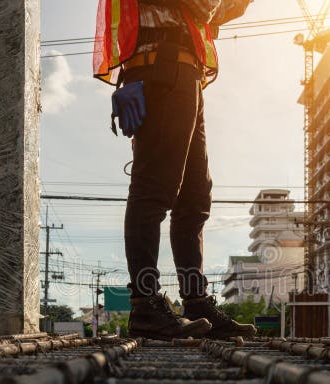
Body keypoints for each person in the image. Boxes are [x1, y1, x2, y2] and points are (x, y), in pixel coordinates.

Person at [94, 0, 258, 340]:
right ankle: (145, 304)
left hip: (184, 73)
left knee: (194, 197)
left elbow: (214, 14)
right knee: (154, 188)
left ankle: (195, 302)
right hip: (160, 68)